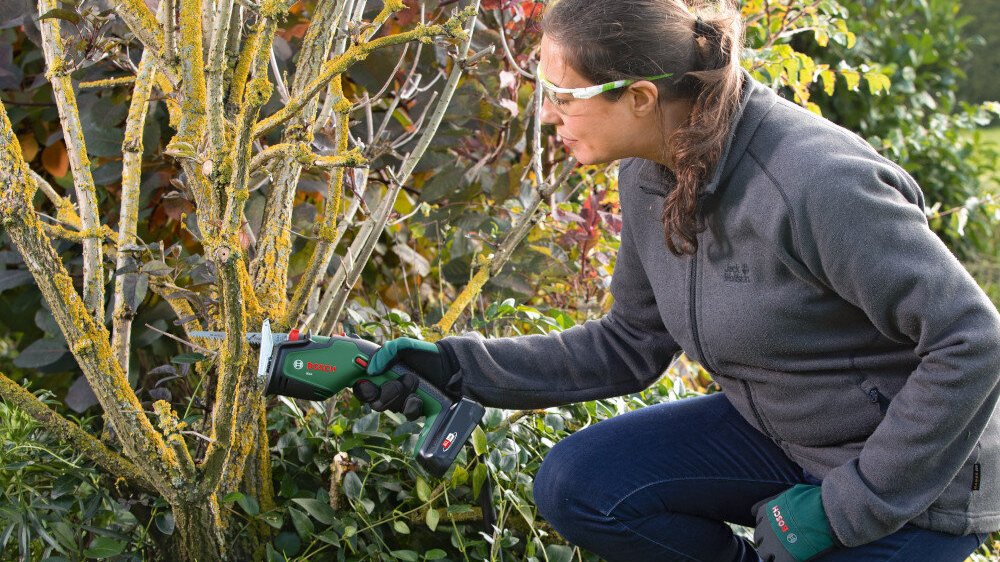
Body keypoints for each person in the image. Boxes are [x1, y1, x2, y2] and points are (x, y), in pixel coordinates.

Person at [352, 0, 1000, 560]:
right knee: (581, 483)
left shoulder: (816, 183)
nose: (547, 114)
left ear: (639, 97)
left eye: (564, 96)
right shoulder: (650, 170)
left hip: (918, 478)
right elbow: (629, 342)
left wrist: (845, 507)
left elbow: (972, 339)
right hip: (784, 433)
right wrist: (457, 368)